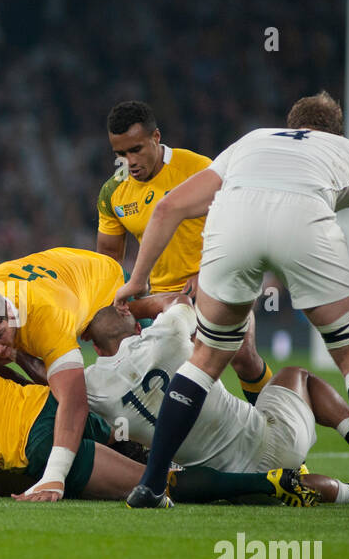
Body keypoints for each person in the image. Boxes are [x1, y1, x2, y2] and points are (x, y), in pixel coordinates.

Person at [114, 92, 349, 517]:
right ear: (334, 132)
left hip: (233, 224)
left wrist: (135, 280)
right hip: (303, 227)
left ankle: (150, 485)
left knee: (204, 358)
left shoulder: (252, 141)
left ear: (289, 124)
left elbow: (168, 208)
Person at [0, 318, 318, 507]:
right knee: (137, 447)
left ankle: (271, 485)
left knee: (156, 485)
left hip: (35, 451)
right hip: (57, 403)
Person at [0, 247, 177, 502]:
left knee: (130, 385)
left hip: (102, 282)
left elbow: (74, 403)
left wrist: (55, 475)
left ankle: (167, 452)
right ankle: (124, 444)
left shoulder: (47, 319)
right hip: (53, 275)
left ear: (8, 311)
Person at [84, 299, 349, 500]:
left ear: (96, 347)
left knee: (289, 482)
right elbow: (179, 300)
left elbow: (59, 384)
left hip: (225, 483)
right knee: (299, 376)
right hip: (270, 438)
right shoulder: (168, 334)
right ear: (135, 327)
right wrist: (132, 301)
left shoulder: (92, 386)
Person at [97, 100, 273, 403]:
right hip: (161, 299)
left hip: (217, 279)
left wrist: (205, 271)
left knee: (243, 356)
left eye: (136, 149)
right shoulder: (113, 192)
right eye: (121, 154)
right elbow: (109, 259)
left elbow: (242, 225)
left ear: (156, 138)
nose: (130, 161)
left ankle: (278, 424)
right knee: (178, 375)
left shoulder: (200, 169)